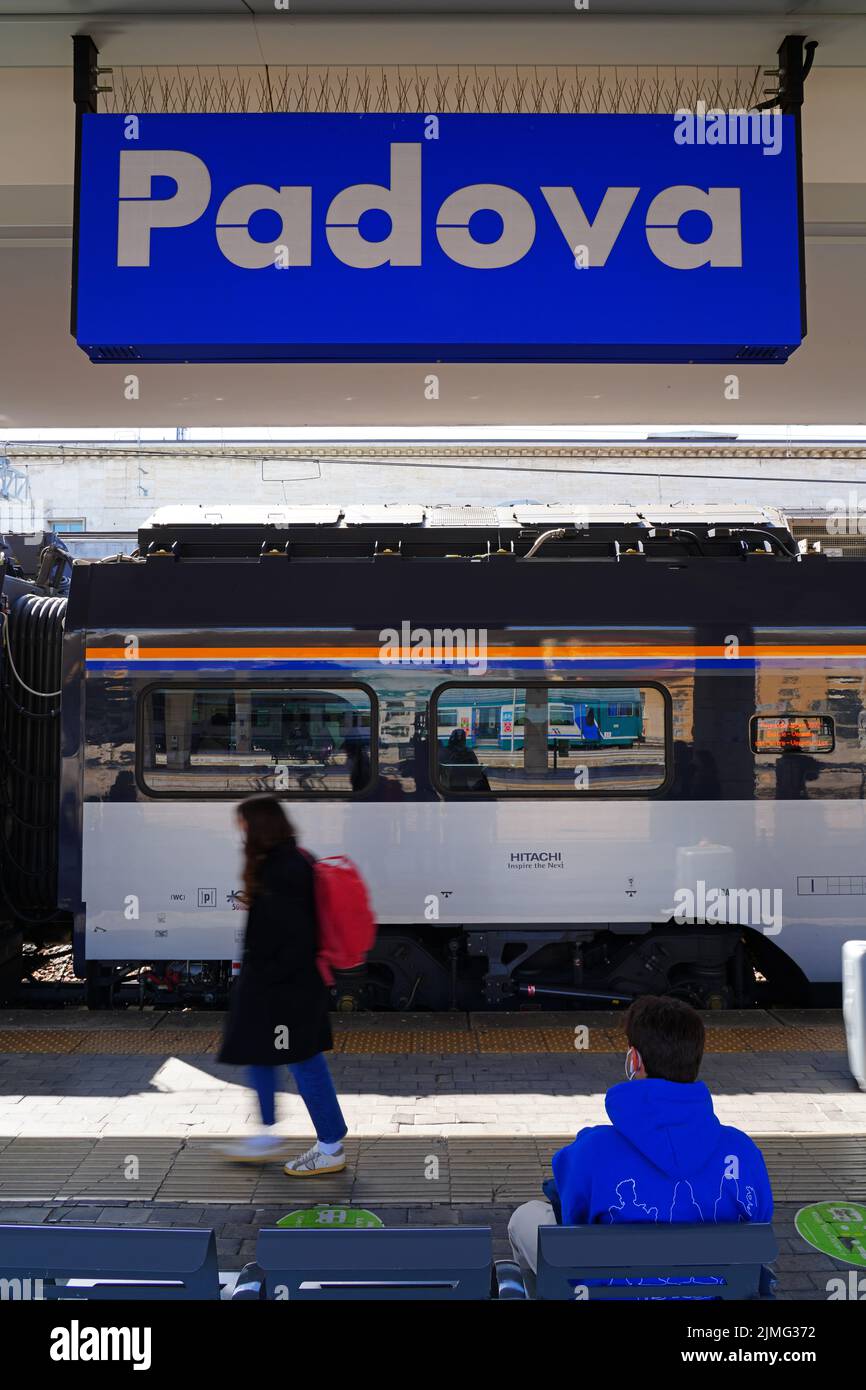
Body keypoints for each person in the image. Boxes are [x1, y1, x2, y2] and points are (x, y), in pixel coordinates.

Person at [508, 995, 773, 1294]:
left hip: (609, 1292)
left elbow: (572, 1216)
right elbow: (759, 1225)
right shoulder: (742, 1151)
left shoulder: (593, 1147)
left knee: (527, 1216)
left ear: (634, 1060)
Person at [217, 794, 348, 1176]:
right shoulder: (286, 862)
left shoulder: (283, 871)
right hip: (279, 988)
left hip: (285, 992)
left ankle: (330, 1145)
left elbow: (291, 938)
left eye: (243, 824)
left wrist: (266, 985)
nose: (239, 832)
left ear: (258, 827)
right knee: (262, 1054)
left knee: (305, 1062)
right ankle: (267, 1135)